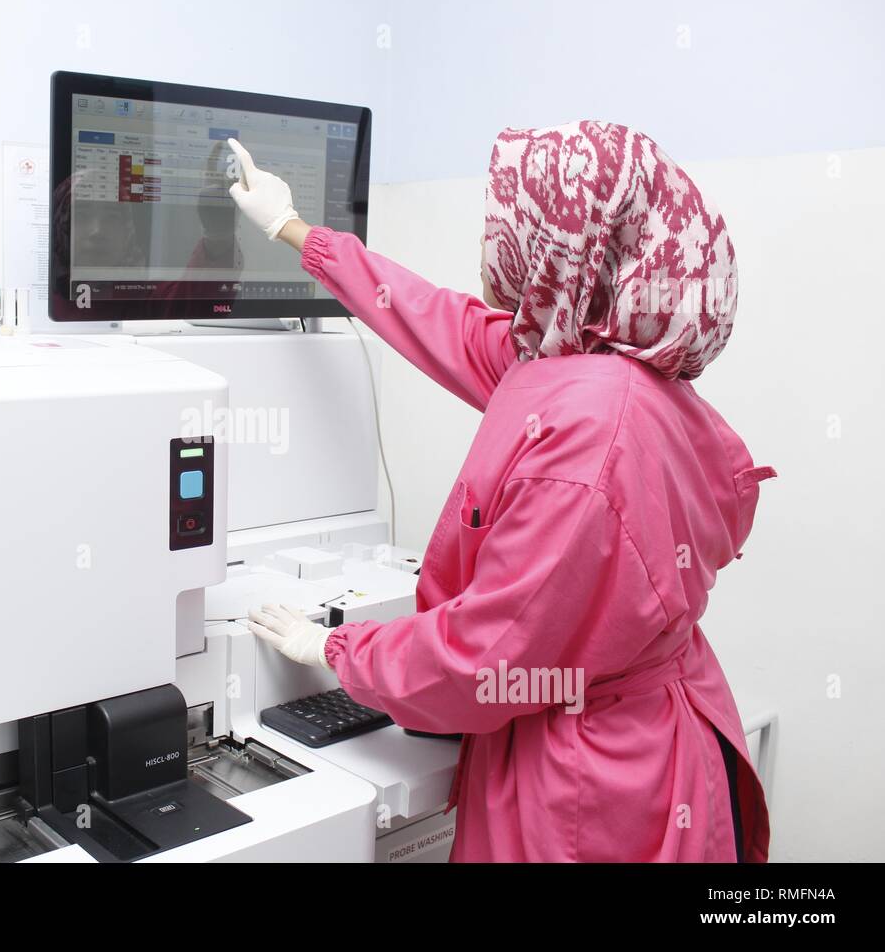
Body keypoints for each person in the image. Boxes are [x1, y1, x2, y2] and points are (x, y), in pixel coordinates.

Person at [227, 125, 773, 863]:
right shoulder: (600, 362)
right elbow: (442, 323)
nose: (493, 242)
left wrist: (334, 647)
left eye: (507, 220)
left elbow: (486, 658)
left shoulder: (587, 436)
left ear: (565, 243)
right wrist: (298, 232)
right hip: (644, 725)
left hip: (593, 783)